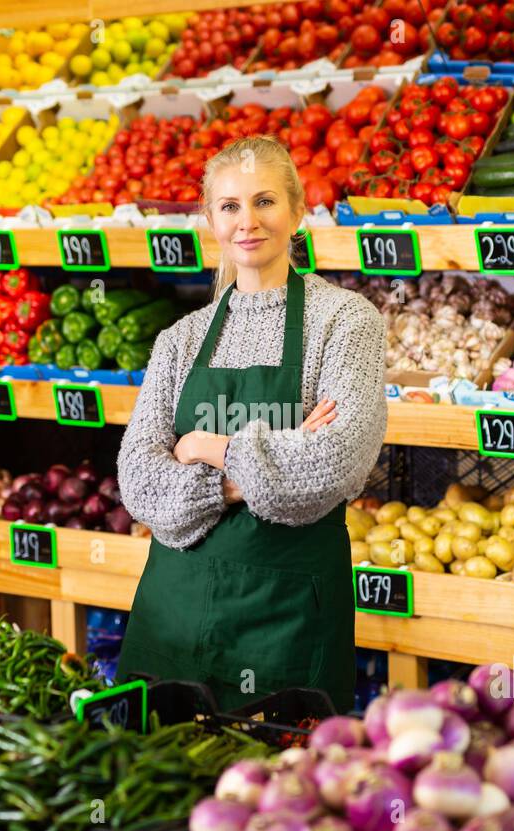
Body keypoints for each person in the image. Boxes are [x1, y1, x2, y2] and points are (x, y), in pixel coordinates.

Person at [115, 135, 387, 710]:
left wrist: (201, 446)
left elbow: (338, 461)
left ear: (296, 210)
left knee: (283, 788)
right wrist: (277, 456)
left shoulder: (345, 321)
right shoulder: (179, 340)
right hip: (175, 614)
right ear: (210, 218)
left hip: (290, 620)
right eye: (231, 206)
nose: (248, 222)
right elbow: (139, 481)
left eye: (265, 202)